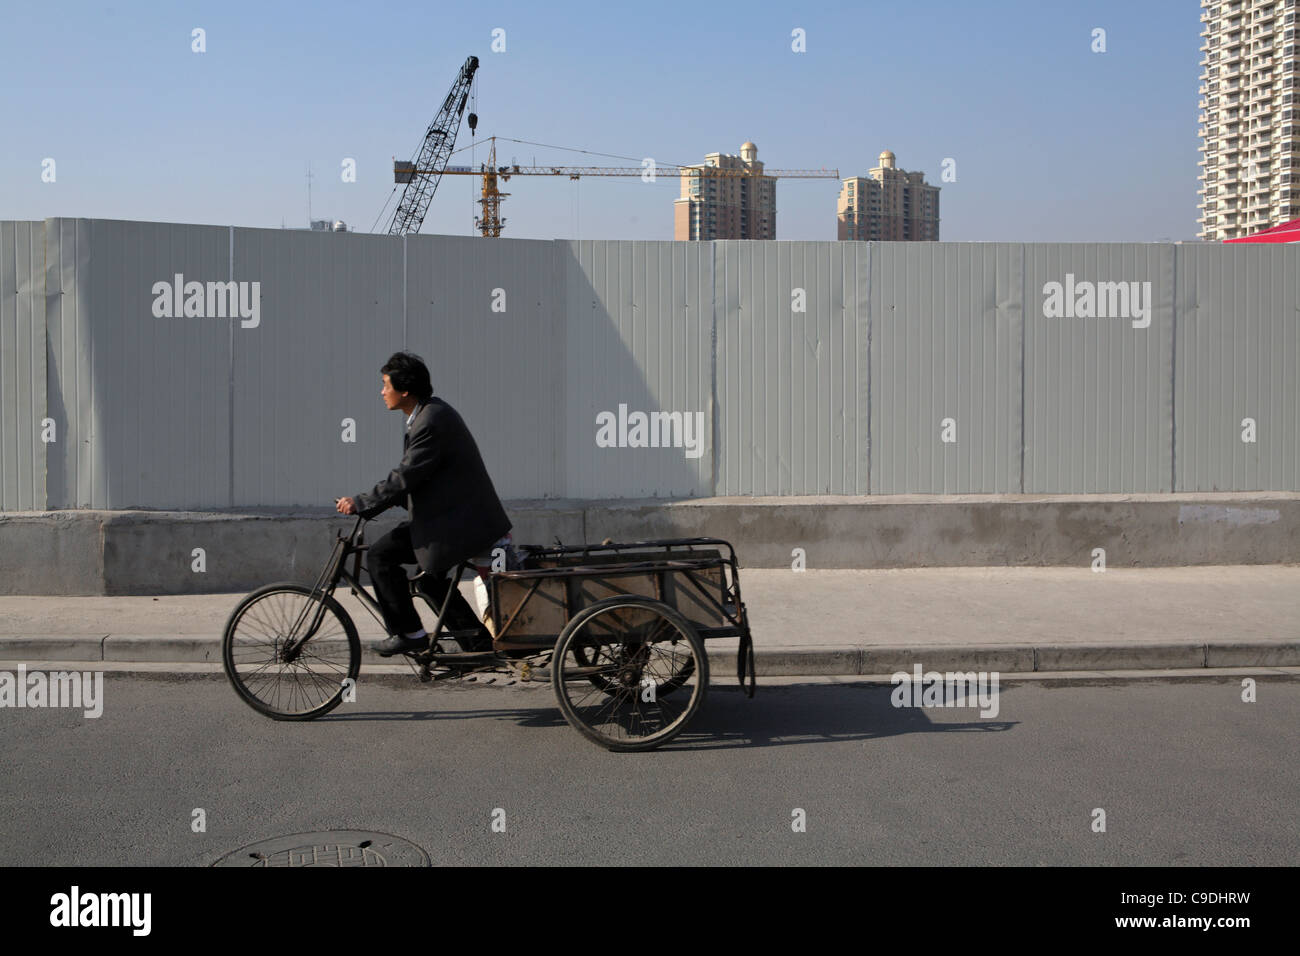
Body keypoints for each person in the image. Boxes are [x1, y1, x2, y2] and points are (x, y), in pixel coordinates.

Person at [335, 352, 511, 656]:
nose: (381, 392)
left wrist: (362, 502)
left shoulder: (431, 420)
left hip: (460, 524)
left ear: (405, 390)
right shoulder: (427, 415)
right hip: (452, 519)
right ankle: (478, 646)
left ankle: (410, 633)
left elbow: (407, 475)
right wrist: (382, 503)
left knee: (380, 556)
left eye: (385, 385)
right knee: (430, 581)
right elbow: (422, 477)